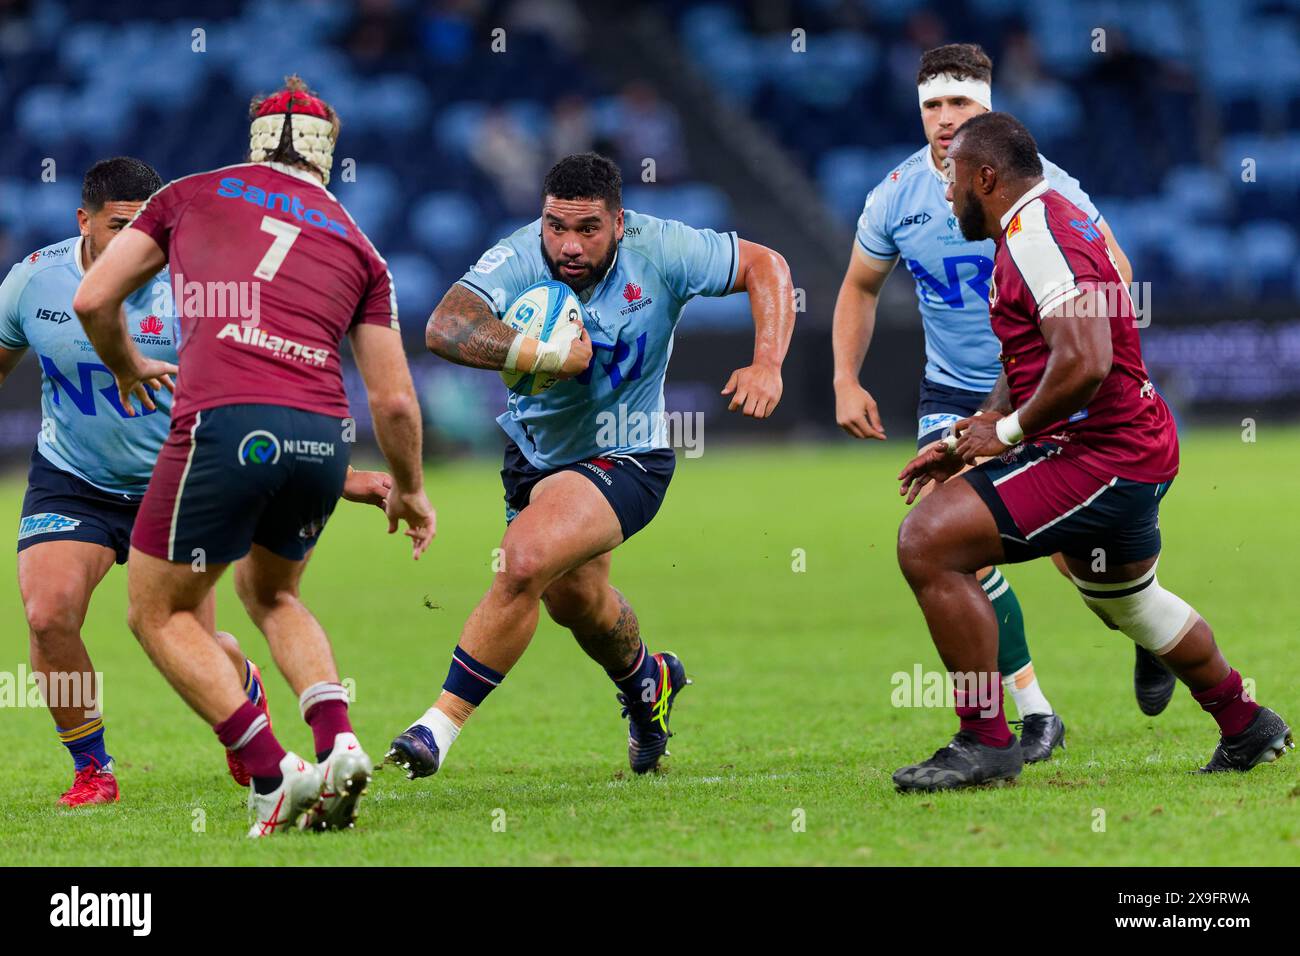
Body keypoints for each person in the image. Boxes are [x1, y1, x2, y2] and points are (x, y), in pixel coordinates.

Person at [71, 77, 436, 836]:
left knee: (158, 611)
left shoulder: (190, 193)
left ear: (255, 139)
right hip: (320, 438)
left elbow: (92, 300)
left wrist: (128, 365)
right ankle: (337, 747)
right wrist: (409, 489)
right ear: (327, 153)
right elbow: (396, 402)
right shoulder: (361, 246)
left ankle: (273, 775)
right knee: (273, 595)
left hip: (223, 421)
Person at [891, 111, 1292, 792]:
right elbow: (1046, 351)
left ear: (985, 176)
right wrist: (981, 425)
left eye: (954, 177)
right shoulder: (1045, 220)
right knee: (1129, 603)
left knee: (928, 541)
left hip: (1100, 453)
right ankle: (1246, 722)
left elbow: (1086, 358)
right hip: (1131, 444)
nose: (947, 192)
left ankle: (985, 741)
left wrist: (1006, 434)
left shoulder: (1039, 233)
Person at [385, 152, 794, 779]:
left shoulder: (661, 247)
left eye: (588, 229)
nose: (569, 245)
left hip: (629, 453)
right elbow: (445, 327)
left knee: (522, 561)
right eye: (556, 226)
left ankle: (436, 727)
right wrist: (541, 354)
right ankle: (648, 684)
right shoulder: (520, 255)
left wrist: (767, 361)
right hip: (535, 459)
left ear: (619, 222)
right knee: (577, 600)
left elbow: (768, 265)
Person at [831, 43, 1166, 763]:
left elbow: (1118, 271)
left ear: (989, 108)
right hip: (954, 393)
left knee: (1083, 563)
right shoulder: (894, 195)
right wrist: (843, 379)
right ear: (918, 111)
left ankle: (1148, 629)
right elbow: (859, 286)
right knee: (945, 536)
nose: (947, 119)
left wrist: (1080, 354)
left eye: (962, 105)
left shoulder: (1046, 187)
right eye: (933, 105)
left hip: (1043, 389)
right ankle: (1033, 711)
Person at [0, 157, 286, 806]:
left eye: (149, 228)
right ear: (85, 222)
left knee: (192, 643)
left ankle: (243, 706)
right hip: (72, 478)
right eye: (119, 227)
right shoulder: (34, 281)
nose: (137, 244)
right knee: (48, 617)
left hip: (178, 483)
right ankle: (93, 769)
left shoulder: (198, 284)